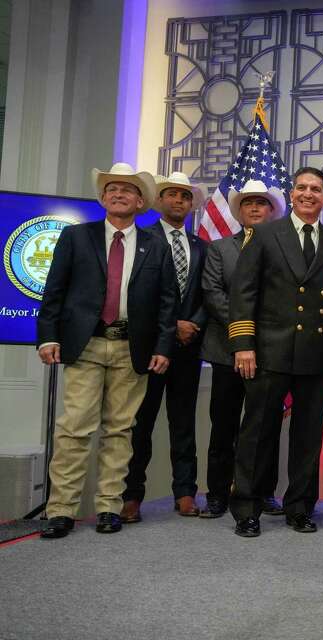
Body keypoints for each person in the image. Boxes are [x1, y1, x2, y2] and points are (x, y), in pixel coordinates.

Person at [37, 162, 177, 539]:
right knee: (74, 429)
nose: (118, 194)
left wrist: (164, 345)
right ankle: (61, 510)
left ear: (141, 201)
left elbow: (168, 303)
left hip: (132, 348)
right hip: (85, 344)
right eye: (112, 188)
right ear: (102, 198)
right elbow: (54, 291)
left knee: (120, 431)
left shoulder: (156, 246)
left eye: (127, 190)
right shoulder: (76, 237)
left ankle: (108, 508)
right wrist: (48, 336)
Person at [228, 167, 323, 537]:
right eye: (302, 188)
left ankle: (300, 507)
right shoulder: (264, 234)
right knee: (257, 433)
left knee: (308, 437)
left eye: (316, 189)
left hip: (317, 354)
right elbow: (243, 292)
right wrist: (244, 345)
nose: (309, 194)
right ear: (292, 195)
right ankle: (247, 507)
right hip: (268, 352)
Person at [120, 172, 207, 522]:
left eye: (184, 197)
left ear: (190, 204)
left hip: (189, 348)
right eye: (171, 194)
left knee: (183, 423)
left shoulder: (202, 245)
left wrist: (192, 323)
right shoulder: (142, 240)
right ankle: (132, 496)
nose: (178, 201)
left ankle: (185, 493)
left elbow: (208, 292)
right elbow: (137, 294)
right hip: (150, 346)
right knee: (140, 424)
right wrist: (171, 327)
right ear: (159, 200)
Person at [198, 179, 284, 519]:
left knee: (266, 428)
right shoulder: (219, 249)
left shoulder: (281, 250)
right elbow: (213, 294)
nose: (254, 208)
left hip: (270, 353)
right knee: (224, 427)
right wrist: (244, 332)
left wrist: (262, 335)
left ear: (271, 210)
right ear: (239, 210)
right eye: (248, 203)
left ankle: (262, 493)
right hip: (225, 351)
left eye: (261, 203)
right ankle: (218, 494)